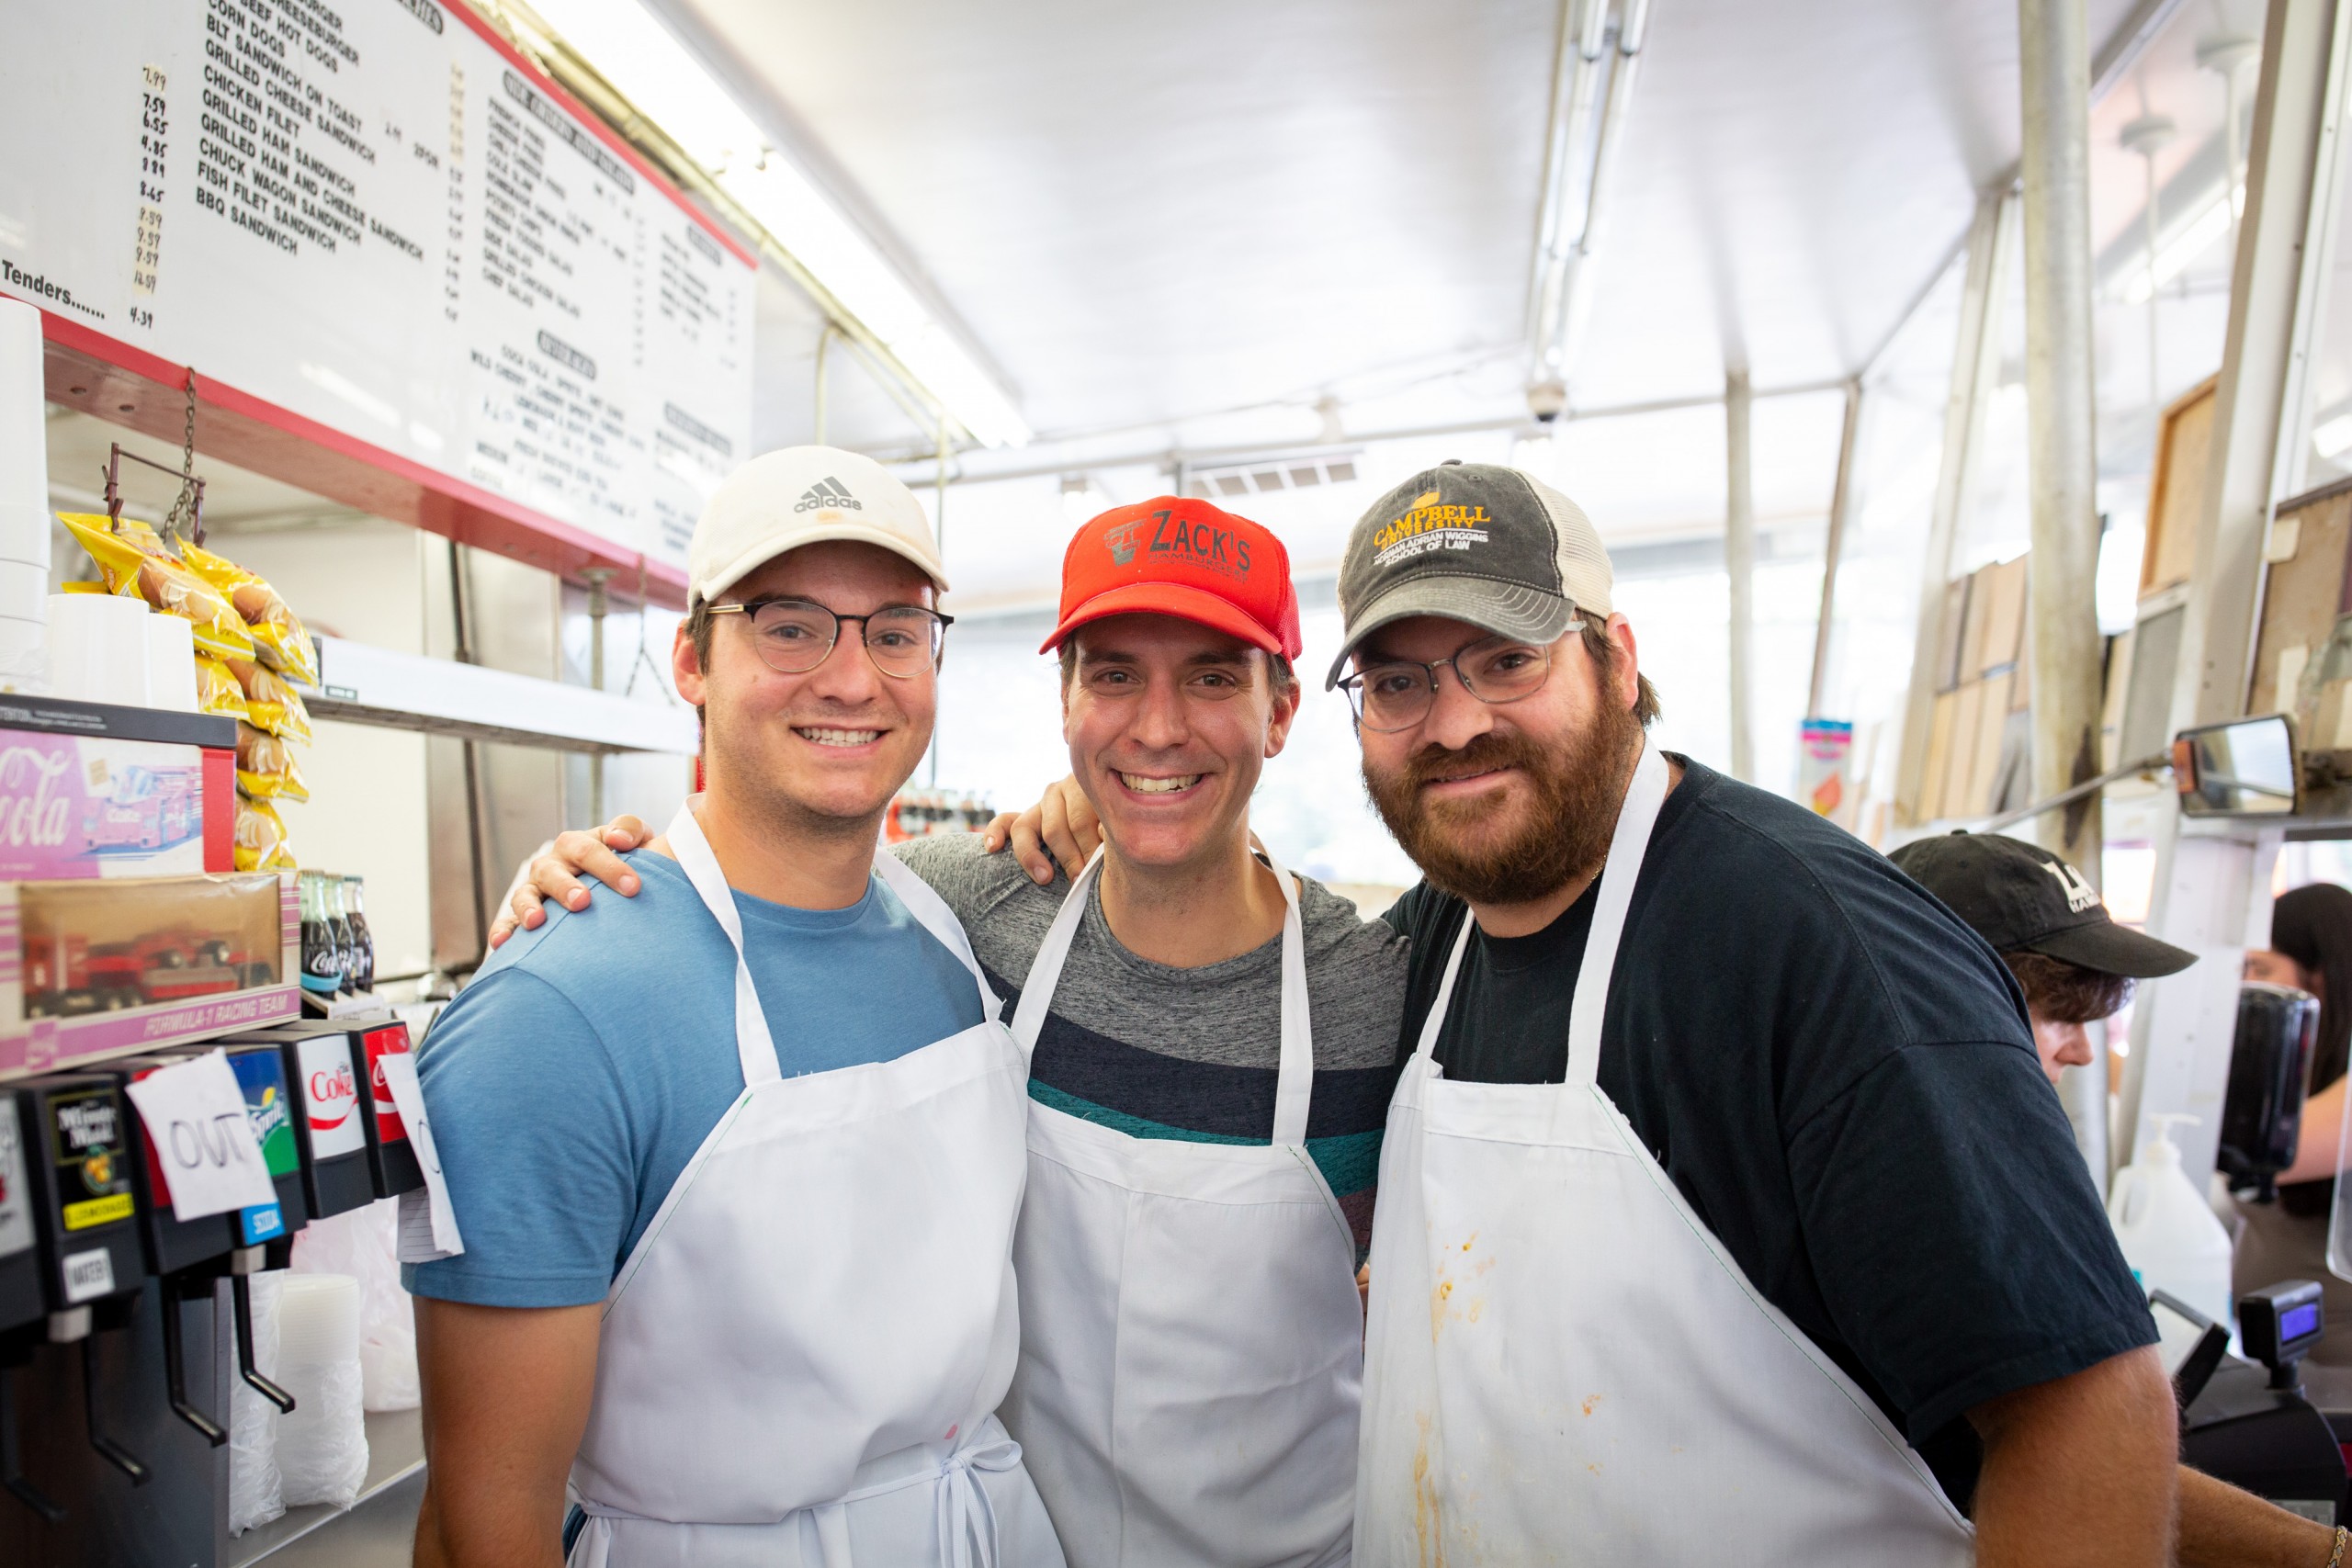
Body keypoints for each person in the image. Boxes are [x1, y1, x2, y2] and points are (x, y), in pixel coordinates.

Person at [1007, 463, 2178, 1562]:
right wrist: (1119, 807)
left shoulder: (1815, 946)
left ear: (1615, 660)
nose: (1454, 723)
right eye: (1402, 682)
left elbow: (2086, 1411)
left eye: (1503, 660)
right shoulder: (1431, 941)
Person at [493, 496, 1408, 1567]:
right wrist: (596, 887)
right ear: (1065, 704)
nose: (1158, 727)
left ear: (1283, 710)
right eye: (1113, 673)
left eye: (1212, 676)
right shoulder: (970, 911)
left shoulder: (1379, 987)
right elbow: (784, 879)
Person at [406, 447, 1063, 1568]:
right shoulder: (549, 1018)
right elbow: (487, 1524)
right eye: (791, 624)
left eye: (894, 630)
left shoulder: (967, 932)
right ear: (691, 660)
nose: (853, 680)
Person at [1893, 831, 2338, 1568]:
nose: (2083, 1050)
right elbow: (2059, 1457)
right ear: (1953, 992)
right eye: (2058, 1009)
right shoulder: (1937, 1198)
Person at [2239, 882, 2352, 1366]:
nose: (2245, 985)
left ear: (2320, 978)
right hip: (2291, 1359)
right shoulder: (2294, 1075)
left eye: (2261, 969)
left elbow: (2268, 1155)